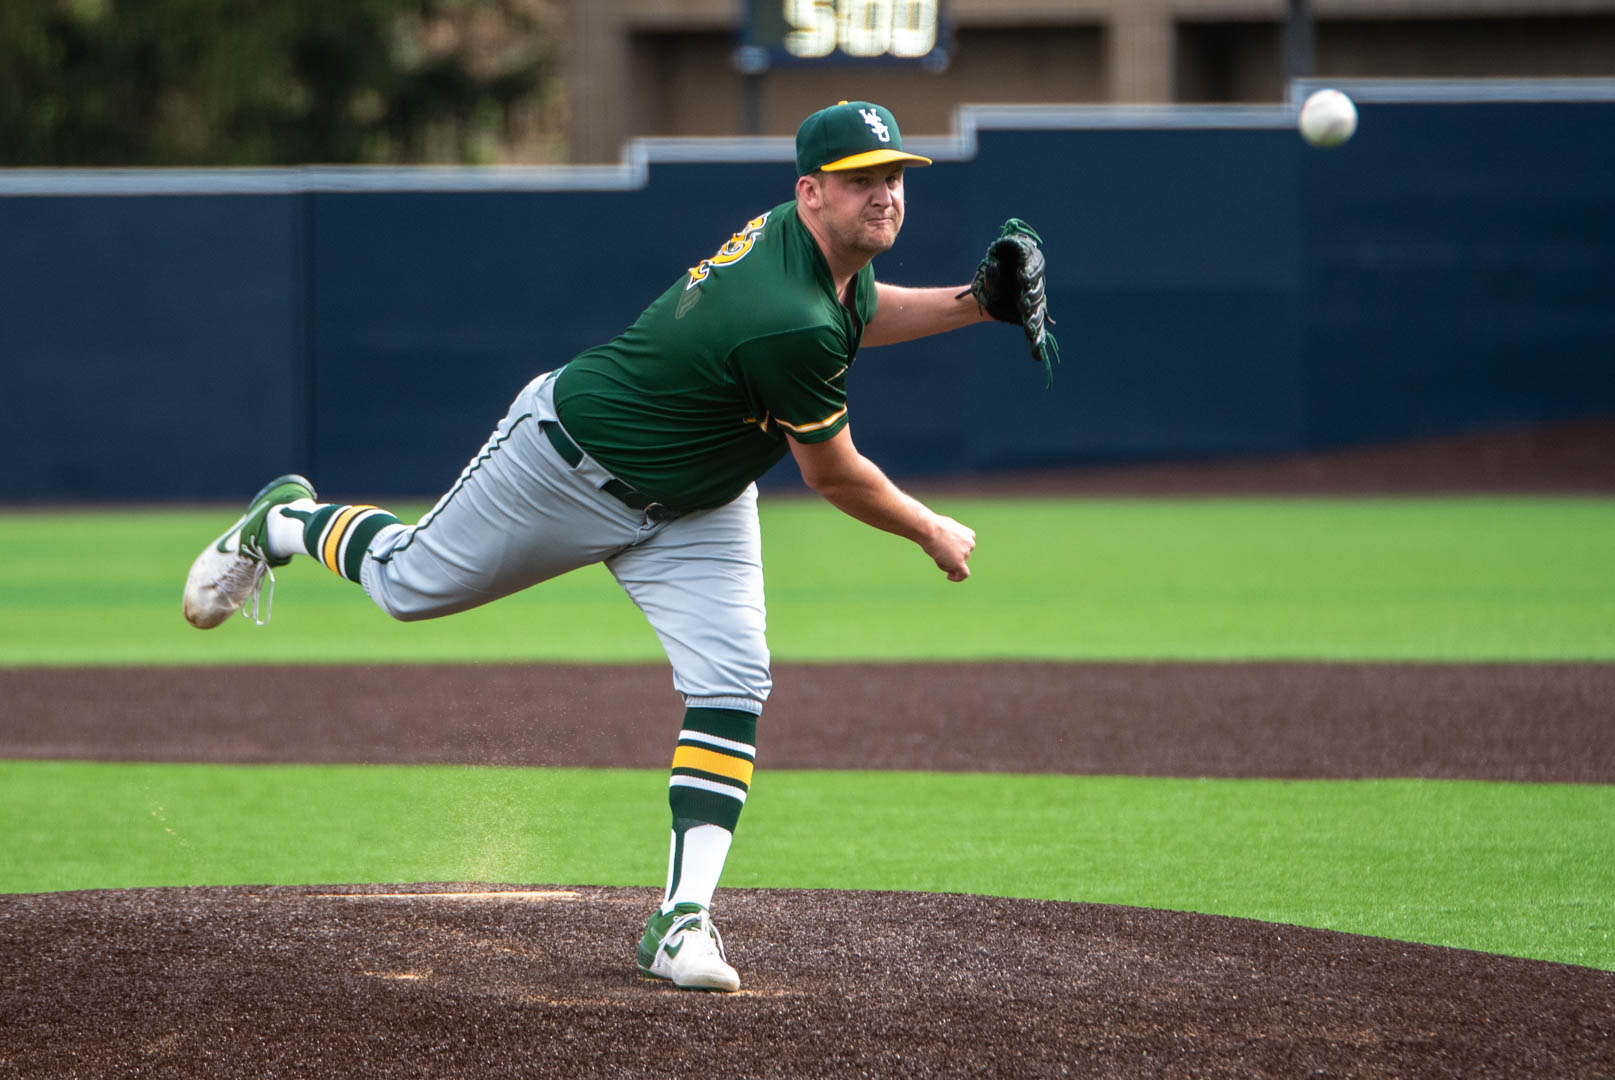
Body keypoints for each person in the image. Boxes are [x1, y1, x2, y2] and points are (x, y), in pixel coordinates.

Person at [182, 100, 1051, 993]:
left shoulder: (815, 257)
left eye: (894, 176)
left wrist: (974, 303)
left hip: (698, 500)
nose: (885, 195)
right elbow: (833, 475)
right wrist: (930, 527)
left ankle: (681, 923)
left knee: (732, 680)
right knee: (408, 584)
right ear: (810, 192)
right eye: (861, 179)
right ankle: (283, 521)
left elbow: (859, 315)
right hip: (566, 465)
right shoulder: (784, 308)